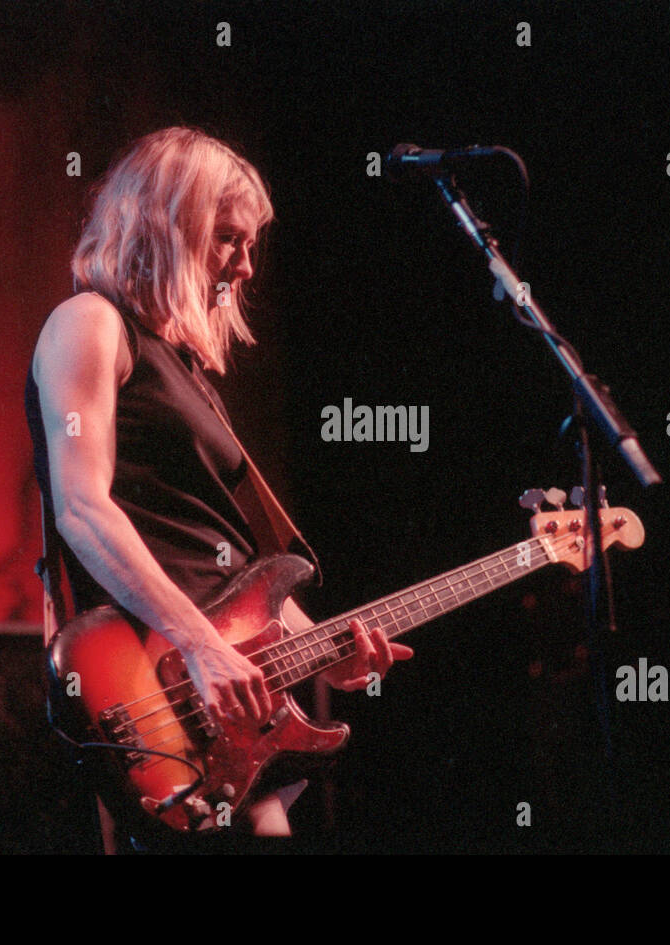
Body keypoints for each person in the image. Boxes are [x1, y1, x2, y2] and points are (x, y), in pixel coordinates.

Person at [25, 127, 412, 838]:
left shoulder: (191, 376)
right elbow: (82, 506)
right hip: (147, 682)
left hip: (222, 709)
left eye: (252, 243)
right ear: (166, 223)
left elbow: (224, 563)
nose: (246, 267)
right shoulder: (90, 324)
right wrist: (199, 644)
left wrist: (327, 646)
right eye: (229, 238)